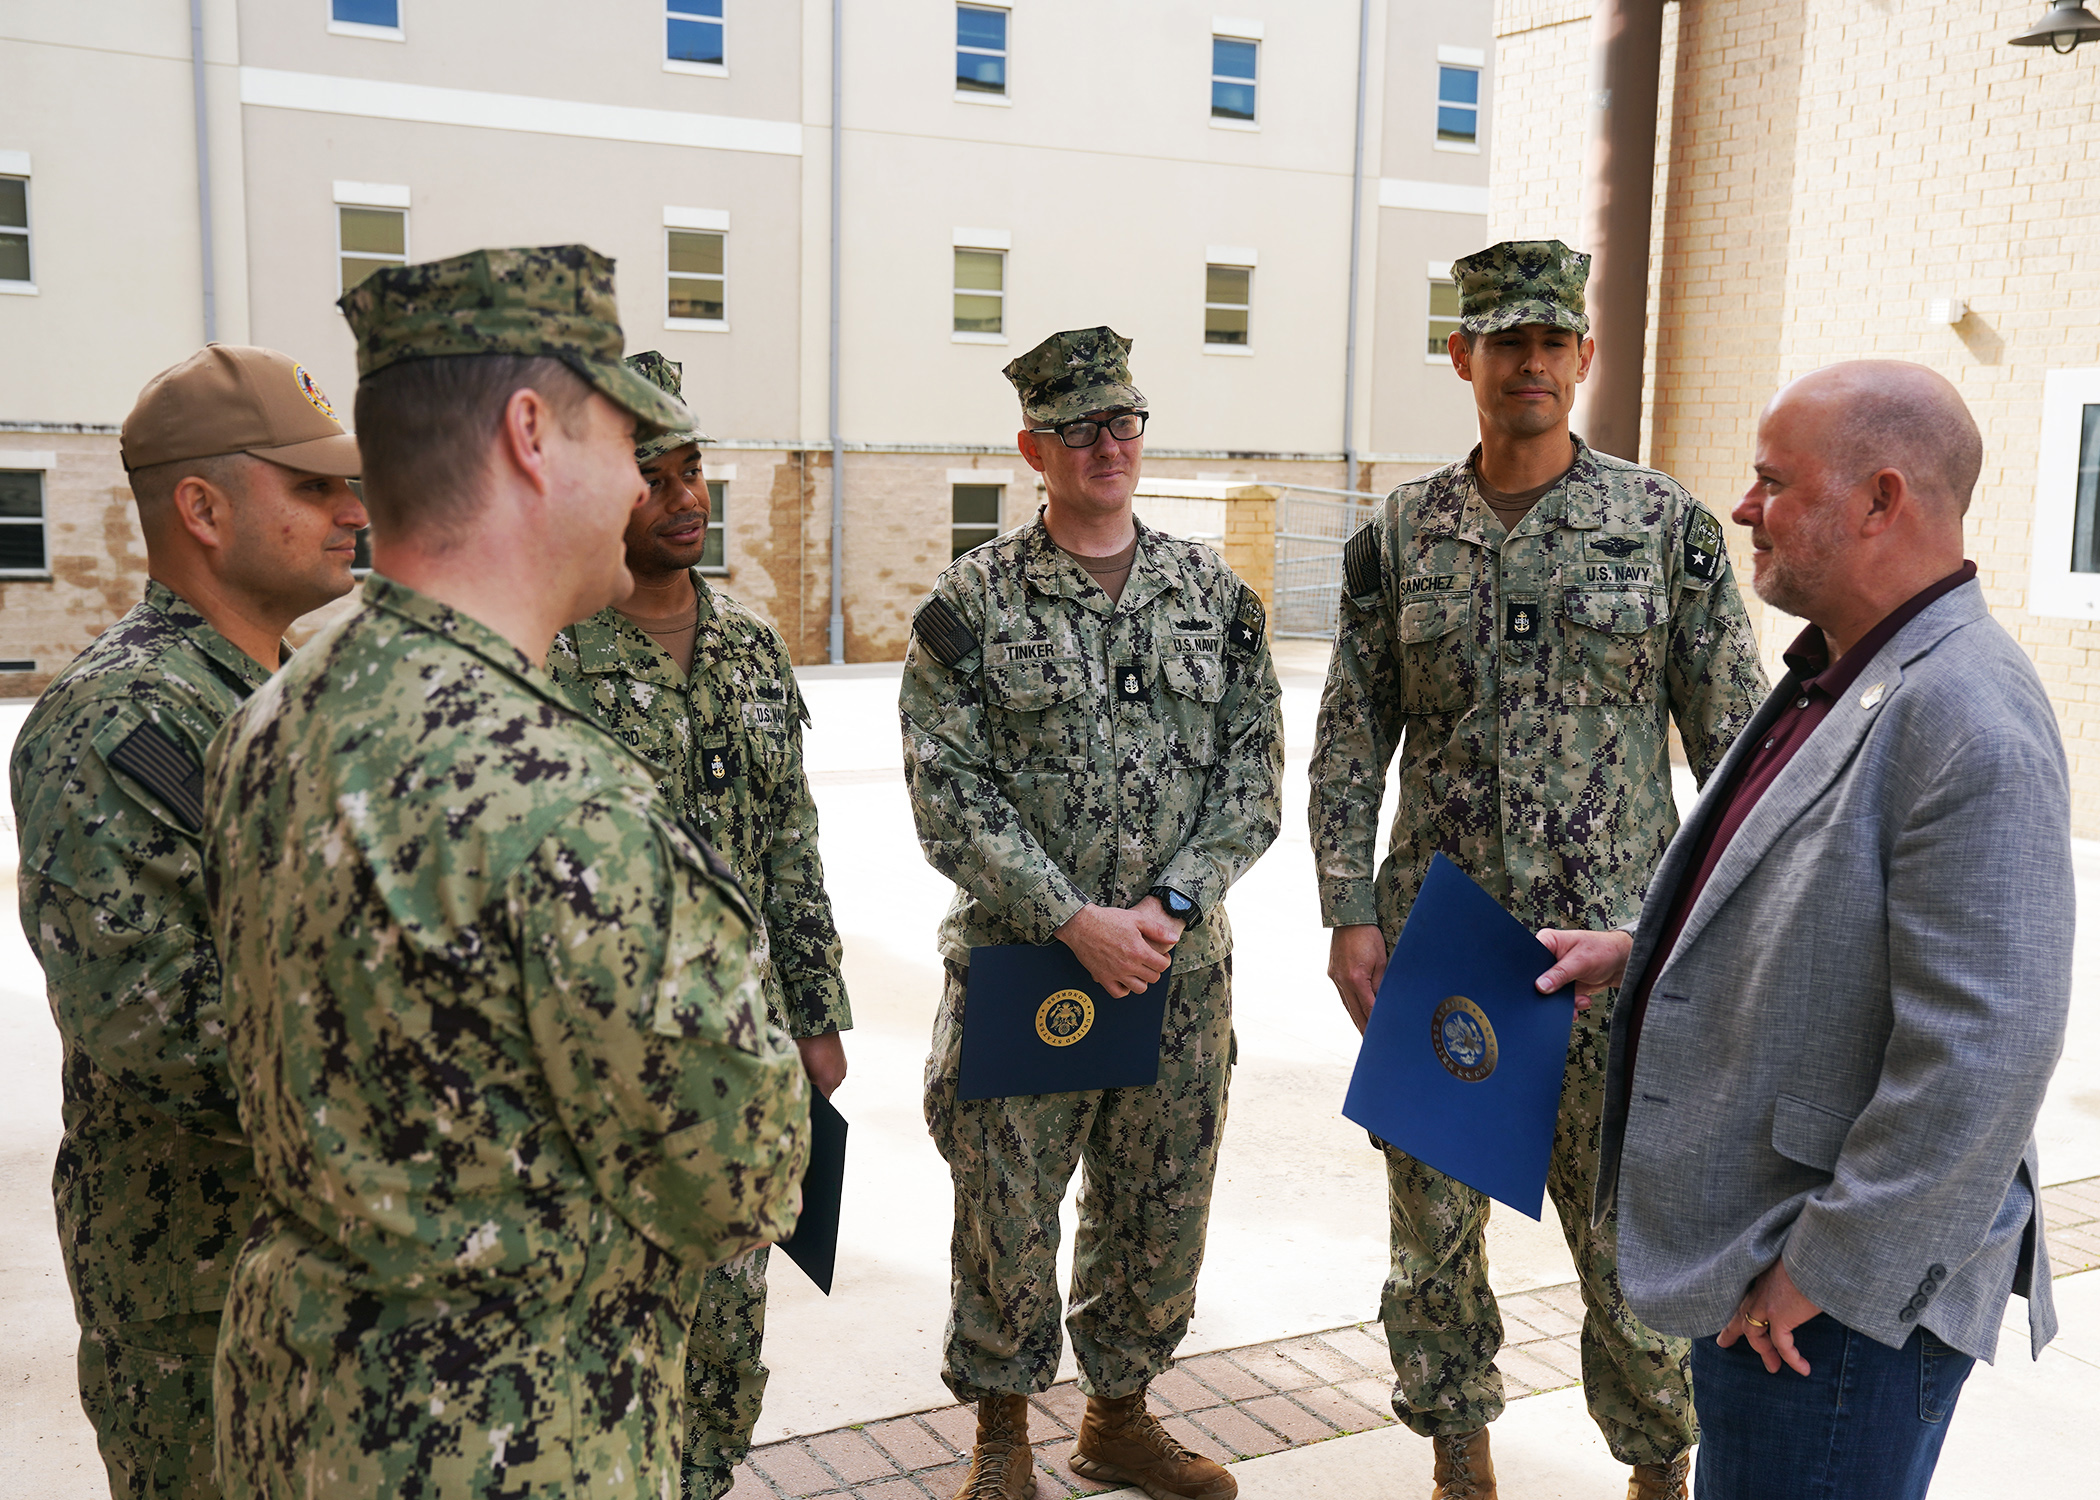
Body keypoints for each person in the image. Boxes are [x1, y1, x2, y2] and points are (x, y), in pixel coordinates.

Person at [201, 246, 809, 1498]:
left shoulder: (270, 714)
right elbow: (747, 1175)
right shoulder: (566, 800)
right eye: (620, 440)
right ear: (534, 435)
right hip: (511, 1440)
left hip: (297, 1421)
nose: (642, 479)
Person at [1536, 361, 2074, 1500]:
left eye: (1772, 482)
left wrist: (1820, 1273)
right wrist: (1643, 957)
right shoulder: (1849, 669)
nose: (1742, 508)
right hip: (1768, 1261)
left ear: (1882, 501)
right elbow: (1829, 919)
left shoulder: (1968, 717)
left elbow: (1983, 1053)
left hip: (1829, 1306)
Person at [1306, 241, 1768, 1500]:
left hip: (1619, 953)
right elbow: (1351, 736)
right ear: (1463, 357)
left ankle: (1658, 1472)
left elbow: (1741, 749)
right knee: (1436, 1240)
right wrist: (1349, 909)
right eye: (1504, 341)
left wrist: (1718, 938)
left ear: (1585, 357)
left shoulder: (1662, 527)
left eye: (1552, 341)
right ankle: (1462, 1463)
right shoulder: (1400, 536)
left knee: (1630, 1244)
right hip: (1443, 949)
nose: (1530, 363)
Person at [900, 326, 1283, 1500]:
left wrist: (1169, 905)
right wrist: (1075, 919)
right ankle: (1002, 1444)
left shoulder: (1212, 596)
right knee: (1005, 1212)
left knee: (1157, 1206)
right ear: (1035, 448)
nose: (1107, 444)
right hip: (1030, 969)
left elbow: (1254, 771)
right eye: (1079, 428)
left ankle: (1119, 1419)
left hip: (1175, 970)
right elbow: (946, 792)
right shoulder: (970, 606)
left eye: (1123, 422)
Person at [9, 344, 365, 1500]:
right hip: (203, 1298)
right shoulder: (123, 720)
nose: (352, 510)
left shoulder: (290, 693)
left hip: (333, 1265)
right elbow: (157, 1029)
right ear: (202, 509)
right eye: (313, 488)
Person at [546, 350, 852, 1500]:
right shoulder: (550, 654)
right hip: (606, 1081)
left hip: (744, 1063)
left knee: (725, 1342)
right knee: (609, 1352)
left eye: (694, 471)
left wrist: (817, 1014)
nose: (684, 499)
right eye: (654, 475)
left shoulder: (750, 647)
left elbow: (790, 840)